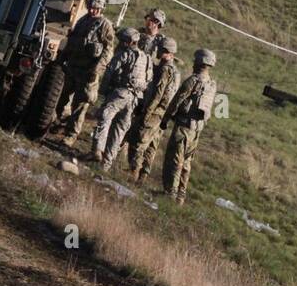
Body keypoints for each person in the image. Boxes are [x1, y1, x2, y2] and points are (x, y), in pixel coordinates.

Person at [54, 0, 117, 146]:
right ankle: (57, 123)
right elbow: (72, 40)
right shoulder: (83, 20)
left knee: (80, 105)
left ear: (101, 8)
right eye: (91, 7)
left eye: (96, 8)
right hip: (73, 66)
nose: (92, 10)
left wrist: (97, 69)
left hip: (88, 71)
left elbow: (108, 50)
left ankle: (71, 135)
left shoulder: (104, 25)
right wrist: (62, 58)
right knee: (61, 97)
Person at [160, 49, 218, 205]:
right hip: (197, 130)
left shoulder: (192, 81)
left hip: (184, 127)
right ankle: (181, 195)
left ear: (199, 63)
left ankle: (170, 194)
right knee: (186, 163)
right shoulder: (212, 84)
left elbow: (177, 101)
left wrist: (165, 118)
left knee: (175, 160)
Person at [93, 28, 153, 167]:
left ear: (129, 42)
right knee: (119, 130)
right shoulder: (147, 59)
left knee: (105, 117)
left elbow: (109, 71)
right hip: (135, 99)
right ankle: (106, 164)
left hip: (120, 93)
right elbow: (148, 82)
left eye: (123, 40)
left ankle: (97, 149)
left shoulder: (125, 54)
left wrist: (103, 92)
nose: (121, 43)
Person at [127, 37, 181, 184]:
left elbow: (158, 94)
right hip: (163, 114)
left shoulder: (164, 70)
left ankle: (134, 172)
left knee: (139, 141)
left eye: (162, 50)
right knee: (152, 145)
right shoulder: (175, 71)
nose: (158, 52)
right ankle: (143, 175)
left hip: (154, 112)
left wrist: (147, 112)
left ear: (168, 53)